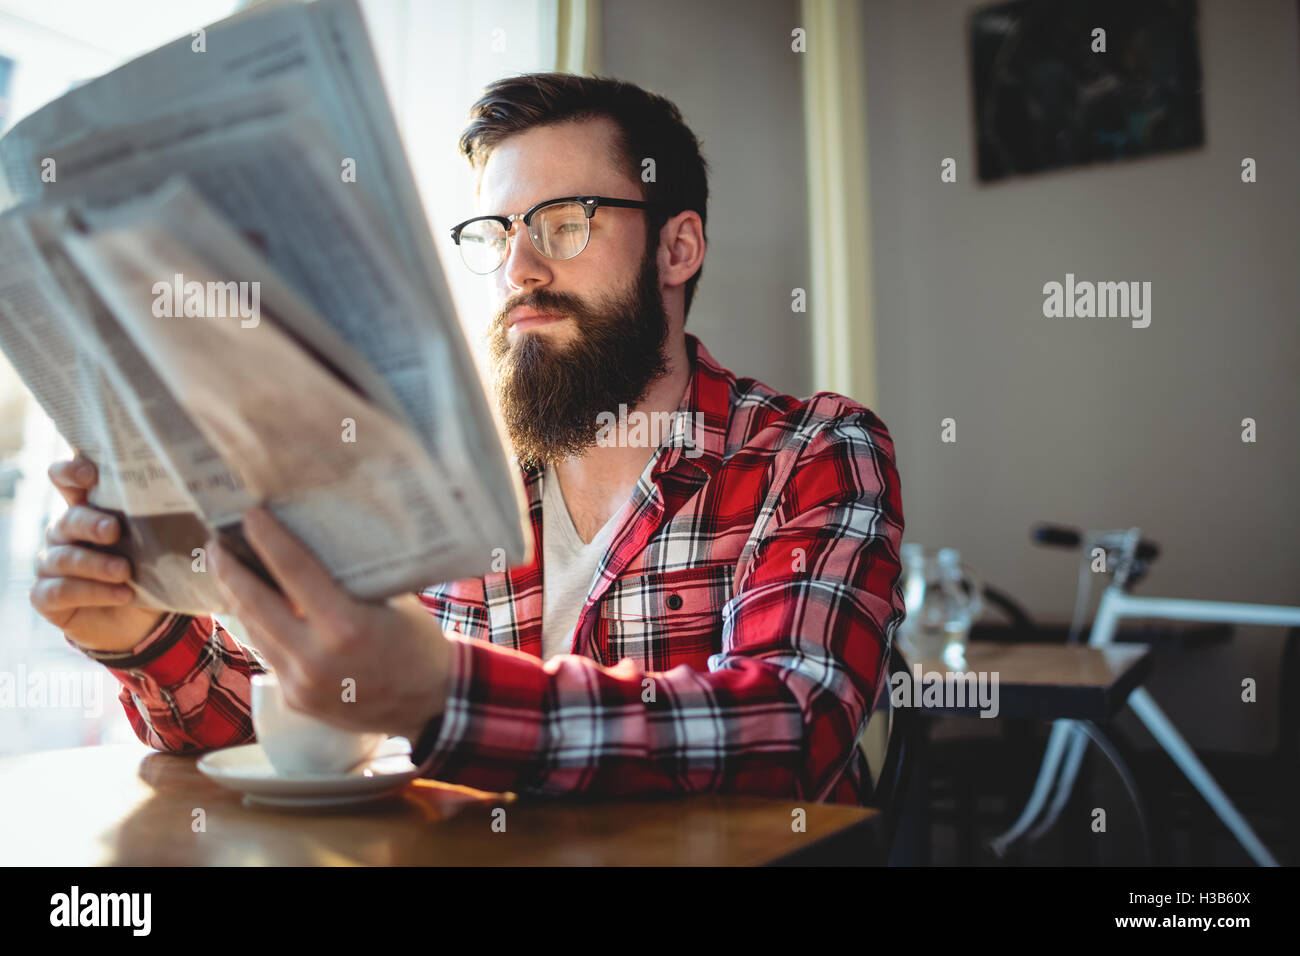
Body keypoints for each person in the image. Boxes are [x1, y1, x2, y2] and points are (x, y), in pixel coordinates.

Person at [33, 73, 906, 805]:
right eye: (496, 234)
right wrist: (142, 636)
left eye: (565, 223)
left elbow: (794, 728)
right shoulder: (441, 469)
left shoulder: (813, 451)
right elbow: (320, 713)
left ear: (677, 249)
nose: (520, 270)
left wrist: (441, 692)